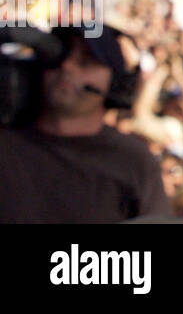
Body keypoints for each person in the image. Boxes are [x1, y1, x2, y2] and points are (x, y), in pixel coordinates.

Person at [0, 25, 170, 222]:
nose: (66, 67)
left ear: (116, 84)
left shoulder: (134, 161)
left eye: (86, 61)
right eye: (58, 58)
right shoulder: (7, 143)